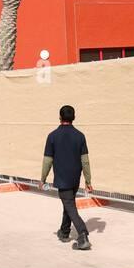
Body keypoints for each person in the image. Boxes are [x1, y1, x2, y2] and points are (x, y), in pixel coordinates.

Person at [41, 104, 93, 250]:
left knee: (69, 205)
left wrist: (42, 179)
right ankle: (64, 232)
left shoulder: (52, 136)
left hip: (62, 179)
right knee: (68, 204)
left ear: (59, 117)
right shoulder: (80, 136)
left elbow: (47, 160)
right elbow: (85, 161)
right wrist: (88, 181)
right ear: (74, 118)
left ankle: (82, 235)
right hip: (75, 178)